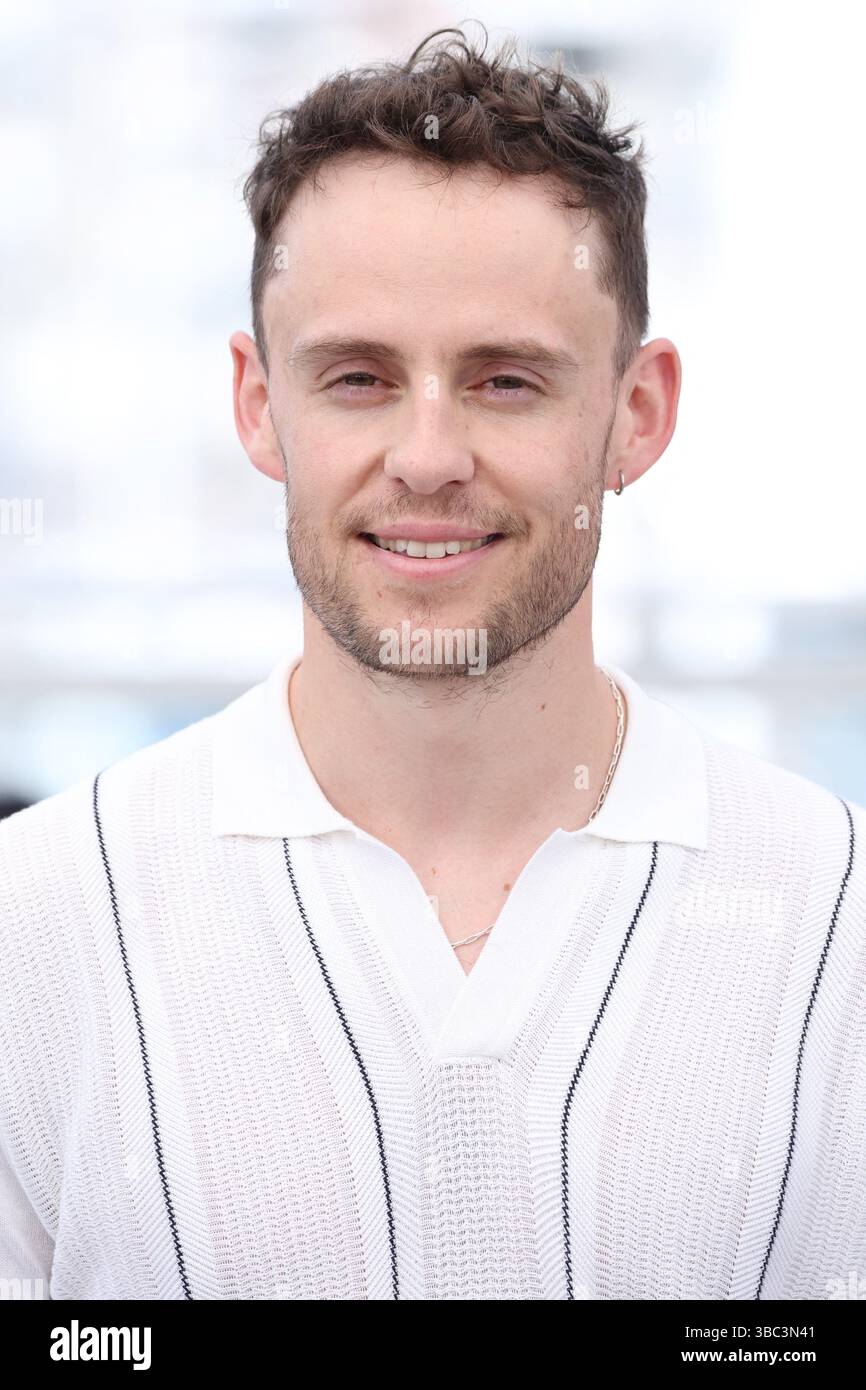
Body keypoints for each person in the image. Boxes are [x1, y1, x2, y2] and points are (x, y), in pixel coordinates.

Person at [1, 26, 864, 1303]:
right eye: (355, 377)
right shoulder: (38, 926)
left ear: (638, 412)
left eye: (505, 380)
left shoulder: (833, 929)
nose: (424, 455)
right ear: (257, 405)